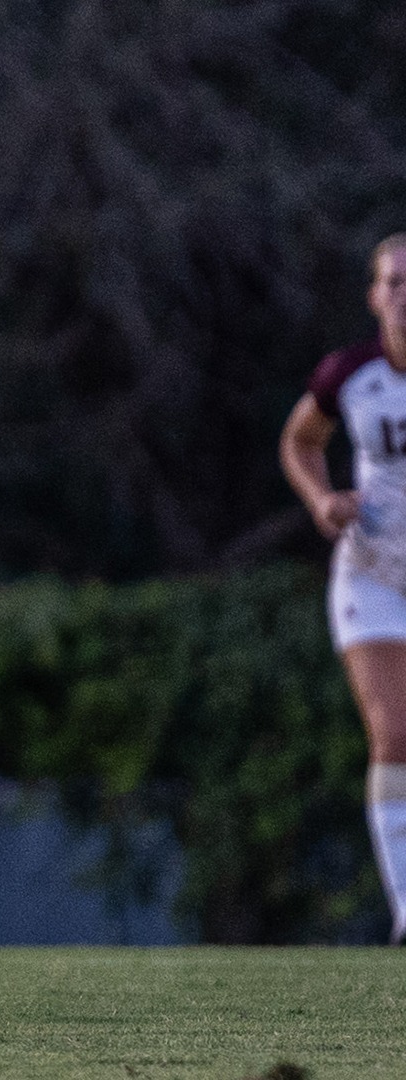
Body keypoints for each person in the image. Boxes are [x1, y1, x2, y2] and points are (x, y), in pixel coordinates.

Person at [280, 232, 406, 945]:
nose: (403, 295)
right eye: (392, 281)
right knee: (394, 733)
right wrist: (322, 501)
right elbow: (299, 441)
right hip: (375, 575)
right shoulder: (349, 374)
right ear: (373, 295)